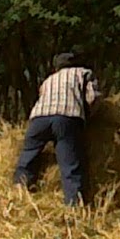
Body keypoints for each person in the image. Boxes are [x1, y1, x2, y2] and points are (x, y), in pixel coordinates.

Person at [13, 51, 100, 206]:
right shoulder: (84, 73)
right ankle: (74, 206)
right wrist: (89, 117)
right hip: (67, 117)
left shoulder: (48, 80)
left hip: (39, 118)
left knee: (28, 155)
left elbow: (42, 96)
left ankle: (19, 193)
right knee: (70, 163)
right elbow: (93, 97)